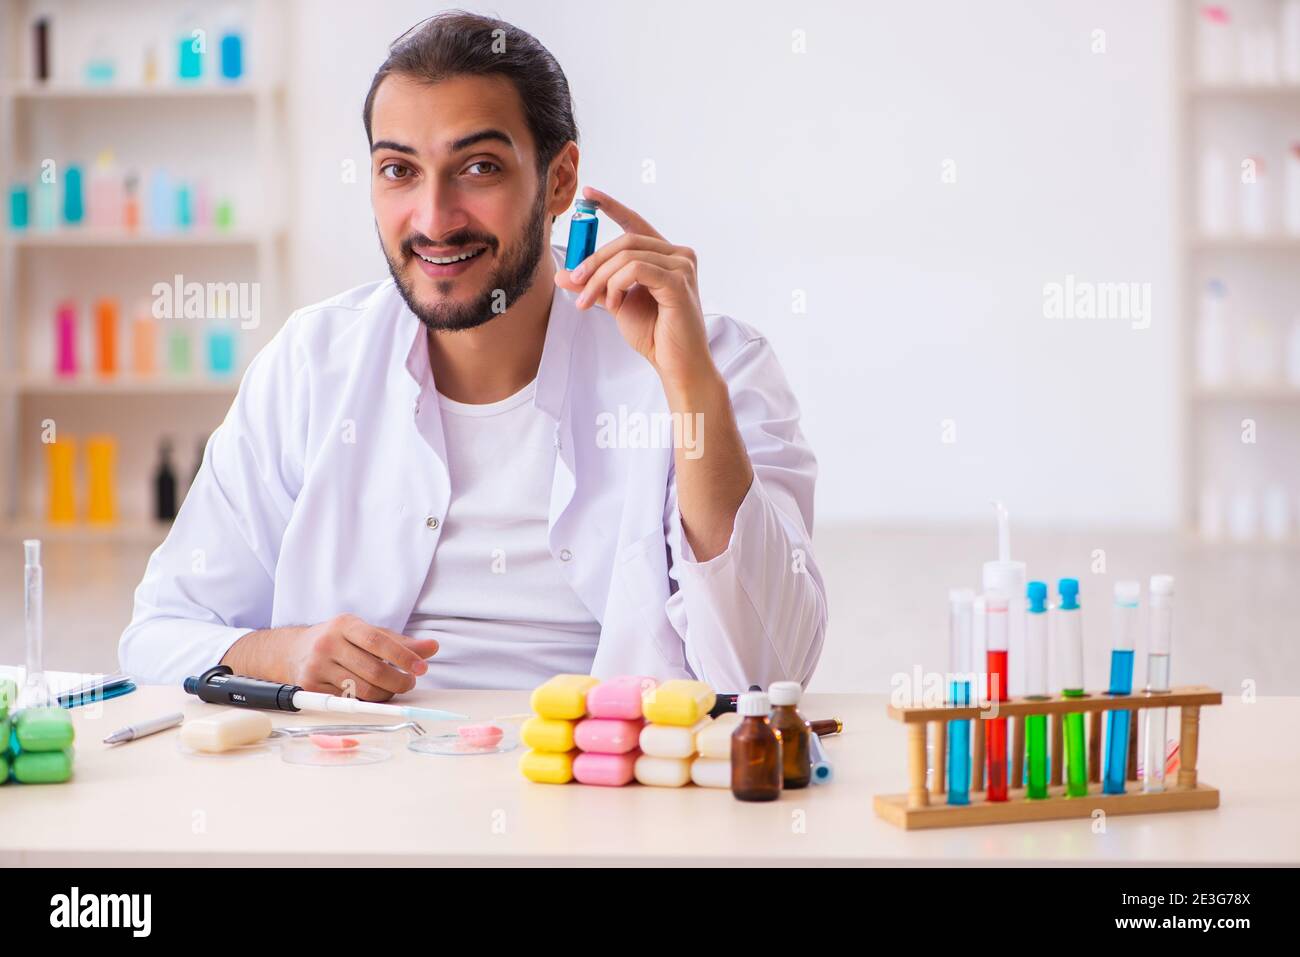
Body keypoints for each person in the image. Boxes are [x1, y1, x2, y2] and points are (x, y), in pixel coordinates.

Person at [119, 10, 826, 698]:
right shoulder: (312, 365)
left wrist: (690, 387)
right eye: (399, 171)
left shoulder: (712, 362)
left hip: (611, 786)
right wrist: (285, 652)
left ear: (558, 180)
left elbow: (766, 671)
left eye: (479, 166)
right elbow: (157, 634)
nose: (434, 219)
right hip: (363, 787)